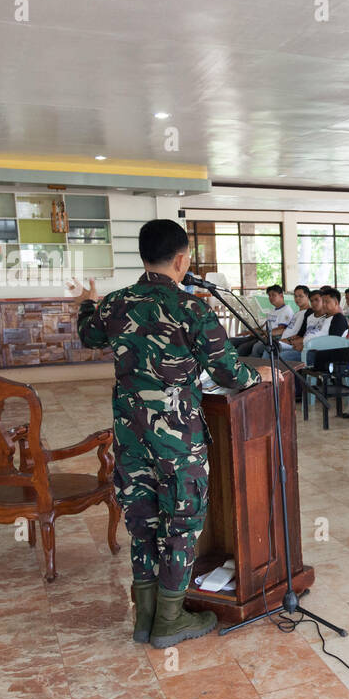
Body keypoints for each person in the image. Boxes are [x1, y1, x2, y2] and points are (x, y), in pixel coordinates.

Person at [74, 220, 260, 648]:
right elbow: (229, 372)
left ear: (143, 256)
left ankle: (145, 618)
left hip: (129, 435)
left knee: (141, 521)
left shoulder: (116, 304)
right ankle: (170, 620)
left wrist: (87, 303)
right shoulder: (191, 307)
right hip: (176, 438)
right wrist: (256, 377)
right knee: (182, 519)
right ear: (181, 259)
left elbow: (88, 334)